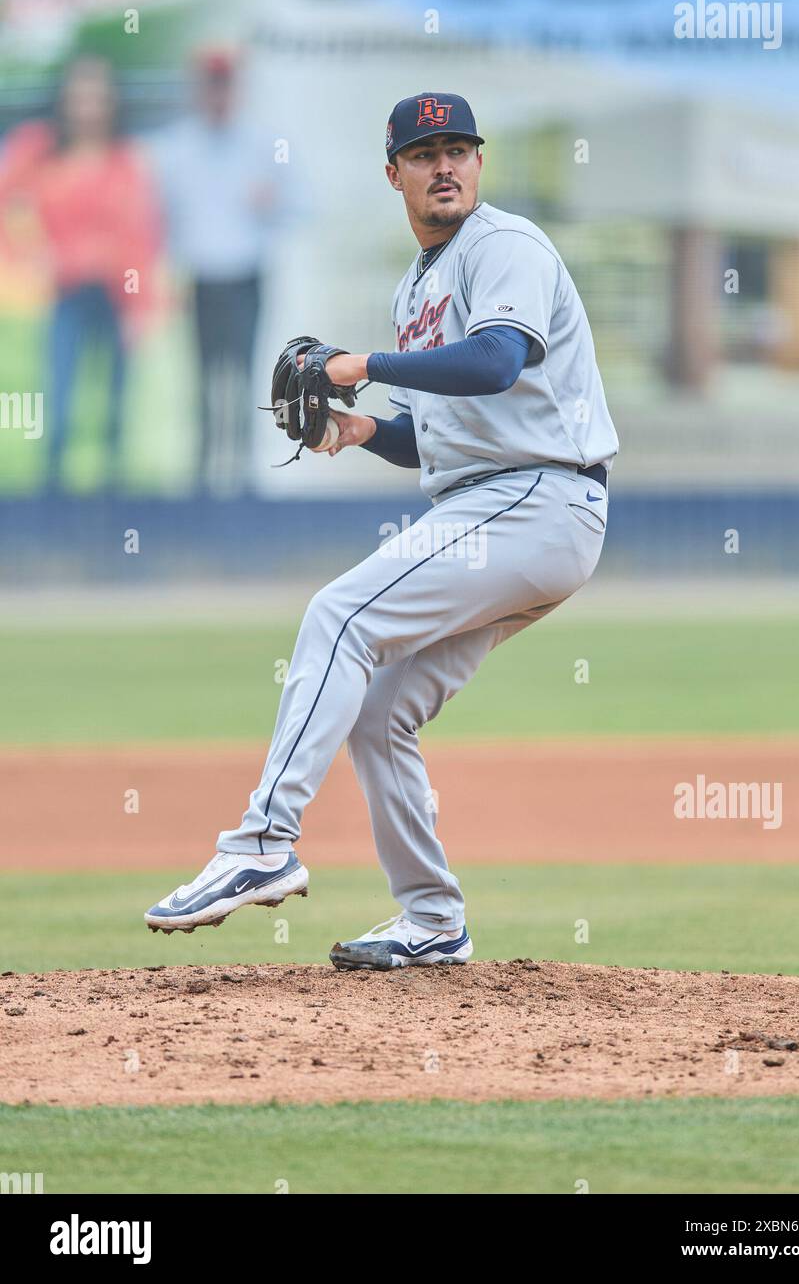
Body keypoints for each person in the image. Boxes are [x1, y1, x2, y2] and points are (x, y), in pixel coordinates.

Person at [145, 92, 619, 970]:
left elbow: (496, 361)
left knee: (339, 617)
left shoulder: (502, 245)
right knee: (381, 712)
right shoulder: (418, 288)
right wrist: (364, 430)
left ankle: (260, 844)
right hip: (499, 507)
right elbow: (437, 437)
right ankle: (433, 918)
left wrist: (360, 364)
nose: (445, 165)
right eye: (424, 152)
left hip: (538, 500)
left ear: (479, 164)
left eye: (459, 149)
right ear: (393, 172)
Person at [0, 56, 160, 489]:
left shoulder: (124, 160)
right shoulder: (38, 148)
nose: (88, 107)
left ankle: (109, 516)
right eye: (79, 96)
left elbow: (140, 238)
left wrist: (140, 307)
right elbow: (6, 200)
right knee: (62, 403)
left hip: (114, 294)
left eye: (97, 97)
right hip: (65, 293)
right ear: (64, 100)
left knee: (113, 408)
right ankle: (51, 508)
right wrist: (30, 256)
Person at [148, 47, 290, 494]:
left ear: (237, 87)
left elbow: (303, 203)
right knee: (202, 379)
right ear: (198, 89)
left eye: (224, 83)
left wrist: (273, 204)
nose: (218, 93)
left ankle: (245, 475)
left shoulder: (265, 145)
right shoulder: (174, 149)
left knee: (246, 376)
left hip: (246, 276)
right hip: (200, 278)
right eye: (211, 83)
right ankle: (202, 478)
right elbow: (155, 218)